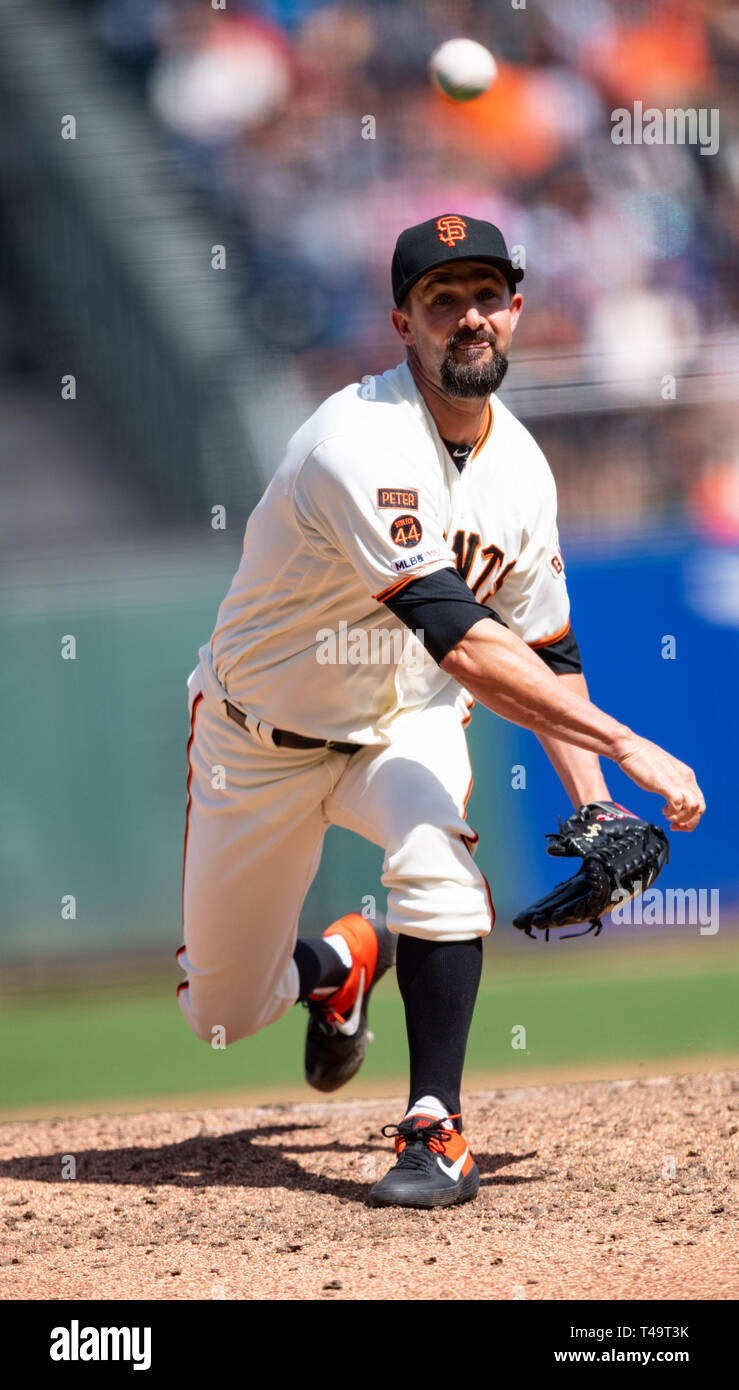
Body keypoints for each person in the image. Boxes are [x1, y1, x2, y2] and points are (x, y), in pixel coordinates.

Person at [177, 213, 704, 1209]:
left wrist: (593, 802)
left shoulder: (522, 471)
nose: (468, 316)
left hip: (402, 722)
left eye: (485, 294)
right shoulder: (356, 439)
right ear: (402, 323)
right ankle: (337, 966)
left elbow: (548, 652)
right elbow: (461, 640)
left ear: (515, 310)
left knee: (442, 874)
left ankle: (433, 1126)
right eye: (440, 299)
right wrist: (630, 747)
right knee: (222, 1007)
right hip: (256, 736)